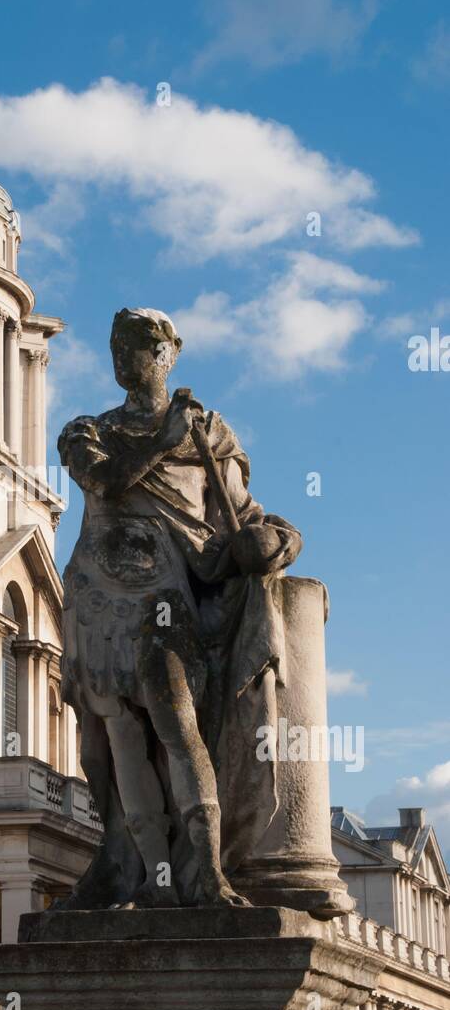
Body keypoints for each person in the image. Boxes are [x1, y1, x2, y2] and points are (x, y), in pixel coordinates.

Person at [57, 308, 302, 908]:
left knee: (176, 722)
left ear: (170, 353)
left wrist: (275, 541)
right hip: (97, 601)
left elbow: (243, 514)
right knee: (116, 743)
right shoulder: (89, 431)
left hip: (165, 601)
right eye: (116, 344)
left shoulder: (208, 435)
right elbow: (104, 482)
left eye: (139, 345)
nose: (123, 356)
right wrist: (165, 440)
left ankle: (205, 872)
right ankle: (147, 874)